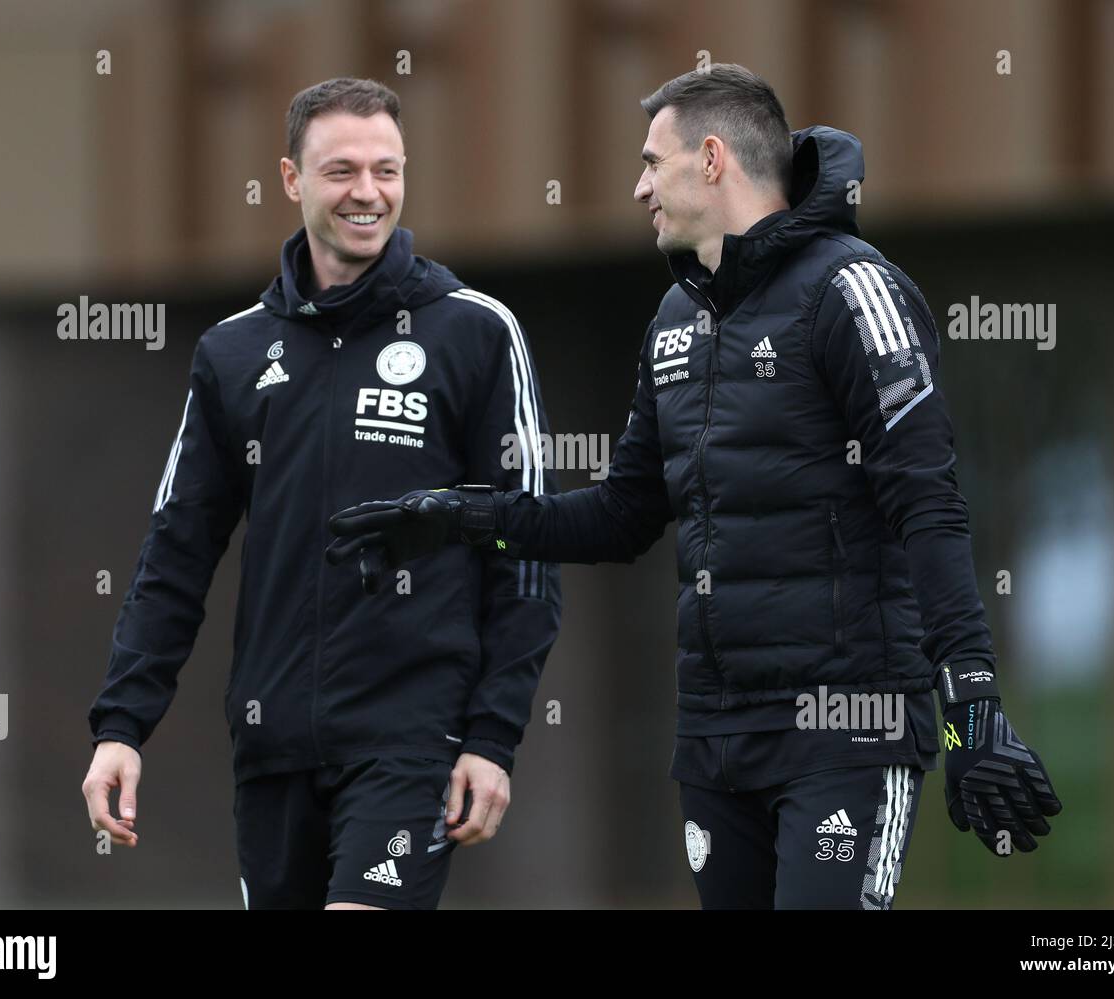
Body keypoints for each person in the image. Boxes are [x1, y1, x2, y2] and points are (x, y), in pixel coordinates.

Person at [328, 64, 1061, 909]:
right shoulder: (674, 321)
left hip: (846, 730)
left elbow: (929, 507)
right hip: (716, 737)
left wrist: (970, 707)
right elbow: (620, 515)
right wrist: (461, 517)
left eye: (652, 161)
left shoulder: (853, 290)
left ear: (712, 158)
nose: (639, 186)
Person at [82, 77, 561, 910]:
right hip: (273, 745)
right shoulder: (234, 353)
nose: (367, 193)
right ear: (291, 179)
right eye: (341, 171)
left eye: (387, 169)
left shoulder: (475, 331)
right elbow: (178, 549)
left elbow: (527, 551)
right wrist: (121, 725)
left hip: (412, 736)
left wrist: (493, 735)